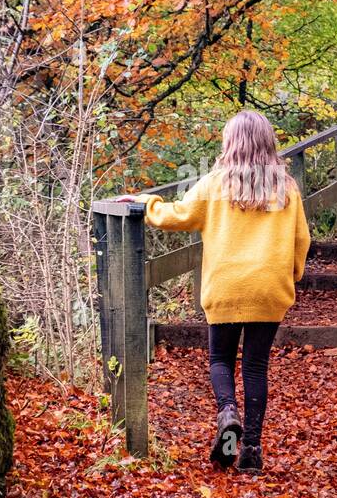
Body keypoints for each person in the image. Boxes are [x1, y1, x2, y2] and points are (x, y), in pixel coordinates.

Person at [118, 110, 310, 474]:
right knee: (256, 366)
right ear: (268, 143)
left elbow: (178, 215)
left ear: (231, 143)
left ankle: (228, 414)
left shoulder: (215, 184)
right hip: (269, 289)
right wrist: (292, 275)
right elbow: (302, 240)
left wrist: (145, 203)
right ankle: (250, 451)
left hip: (226, 287)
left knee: (221, 360)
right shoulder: (286, 188)